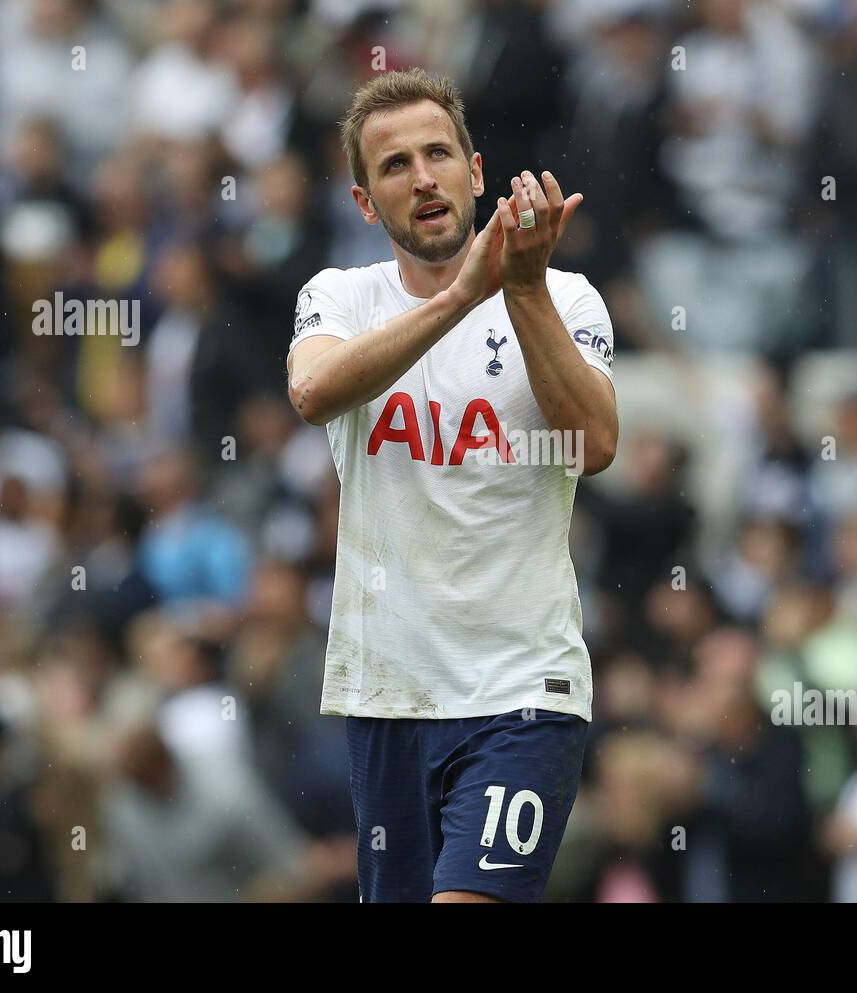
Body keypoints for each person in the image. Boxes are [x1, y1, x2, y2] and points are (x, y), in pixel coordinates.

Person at [284, 68, 619, 903]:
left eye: (439, 153)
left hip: (522, 691)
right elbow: (312, 391)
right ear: (367, 203)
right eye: (395, 165)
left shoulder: (568, 296)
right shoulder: (340, 297)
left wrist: (522, 288)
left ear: (475, 173)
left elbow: (597, 441)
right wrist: (460, 297)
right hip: (387, 690)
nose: (422, 175)